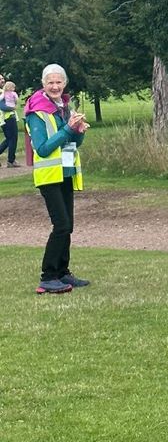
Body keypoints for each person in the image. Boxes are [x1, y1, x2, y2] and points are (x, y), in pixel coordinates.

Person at [23, 64, 91, 294]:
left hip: (66, 172)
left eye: (58, 82)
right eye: (50, 82)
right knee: (61, 225)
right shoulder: (37, 112)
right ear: (43, 84)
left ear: (65, 83)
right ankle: (48, 277)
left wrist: (78, 131)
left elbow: (73, 142)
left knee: (68, 225)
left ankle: (62, 272)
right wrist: (68, 129)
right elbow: (42, 149)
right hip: (49, 175)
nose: (54, 86)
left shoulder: (64, 107)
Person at [0, 79, 20, 166]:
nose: (2, 80)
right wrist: (13, 108)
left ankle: (11, 160)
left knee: (9, 139)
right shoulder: (3, 93)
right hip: (7, 118)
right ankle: (11, 160)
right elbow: (2, 107)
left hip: (6, 119)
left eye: (2, 78)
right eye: (0, 79)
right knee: (13, 139)